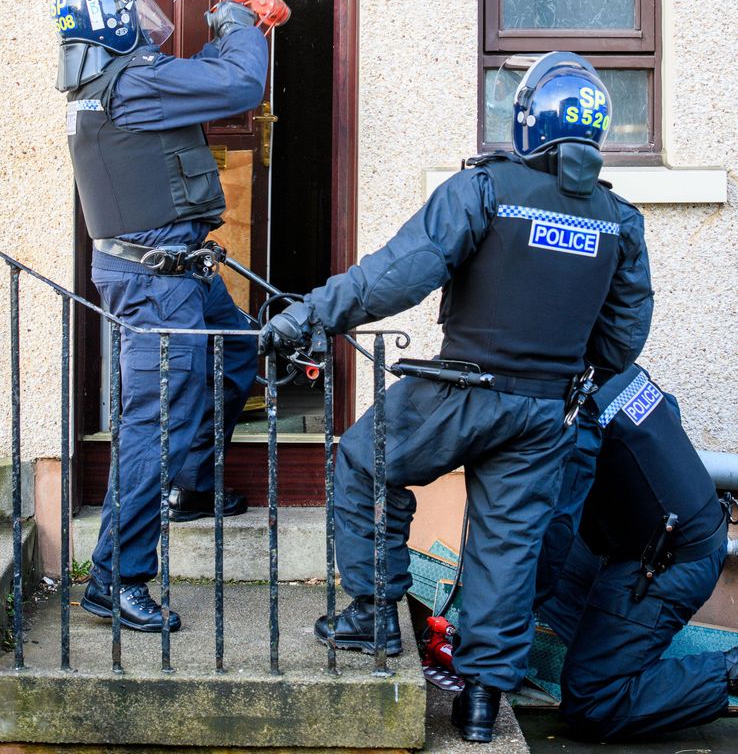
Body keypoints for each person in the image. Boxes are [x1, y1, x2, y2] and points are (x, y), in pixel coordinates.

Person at [260, 51, 654, 741]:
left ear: (529, 118)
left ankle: (374, 613)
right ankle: (481, 703)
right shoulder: (620, 220)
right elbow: (623, 339)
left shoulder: (483, 190)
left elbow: (397, 275)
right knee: (508, 547)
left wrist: (309, 316)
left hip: (466, 388)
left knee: (363, 461)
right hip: (544, 413)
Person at [53, 0, 269, 631]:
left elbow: (200, 78)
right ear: (111, 22)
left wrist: (223, 34)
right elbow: (239, 82)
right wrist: (238, 20)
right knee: (155, 424)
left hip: (182, 272)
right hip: (156, 283)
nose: (146, 15)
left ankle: (191, 485)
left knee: (236, 357)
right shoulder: (135, 83)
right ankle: (116, 580)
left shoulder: (117, 82)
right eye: (133, 6)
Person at [535, 363, 734, 741]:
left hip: (667, 559)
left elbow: (557, 521)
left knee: (592, 700)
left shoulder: (574, 408)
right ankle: (607, 654)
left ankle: (731, 669)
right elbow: (668, 411)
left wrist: (500, 626)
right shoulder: (609, 368)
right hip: (666, 533)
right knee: (534, 561)